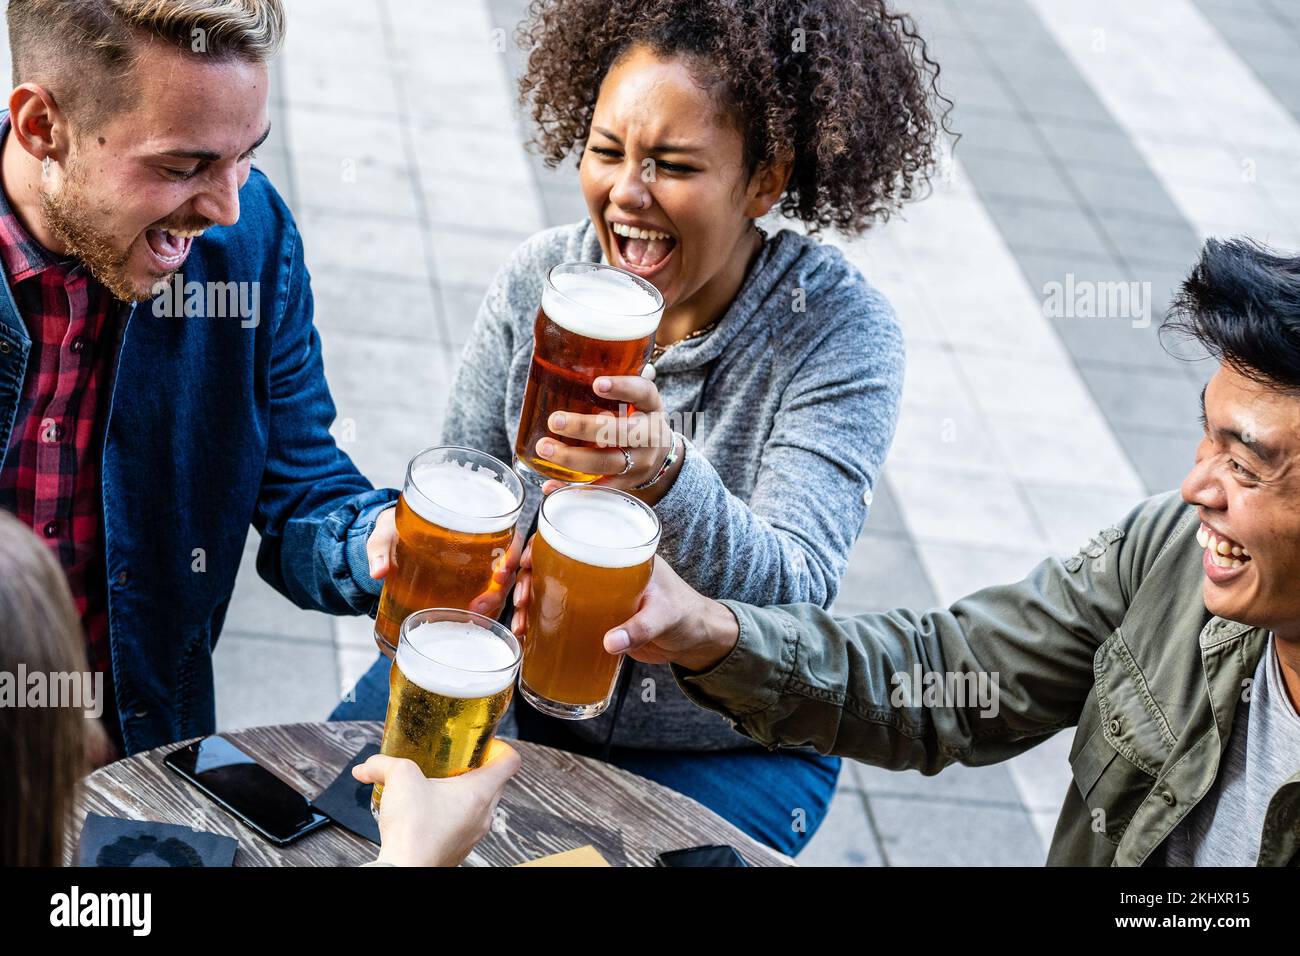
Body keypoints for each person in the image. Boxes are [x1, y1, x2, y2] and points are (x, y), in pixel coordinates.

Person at [340, 0, 952, 856]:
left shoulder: (837, 332)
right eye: (605, 151)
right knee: (333, 828)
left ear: (766, 179)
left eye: (670, 164)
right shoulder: (542, 284)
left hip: (728, 745)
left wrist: (665, 472)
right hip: (506, 685)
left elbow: (794, 591)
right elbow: (469, 488)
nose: (626, 193)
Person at [517, 237, 1300, 866]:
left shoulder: (838, 331)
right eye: (1207, 437)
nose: (1198, 487)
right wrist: (715, 633)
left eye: (1245, 463)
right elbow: (951, 677)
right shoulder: (1167, 551)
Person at [0, 0, 404, 757]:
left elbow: (306, 496)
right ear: (40, 126)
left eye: (247, 154)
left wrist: (386, 546)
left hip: (145, 754)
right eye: (184, 167)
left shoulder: (254, 240)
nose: (226, 208)